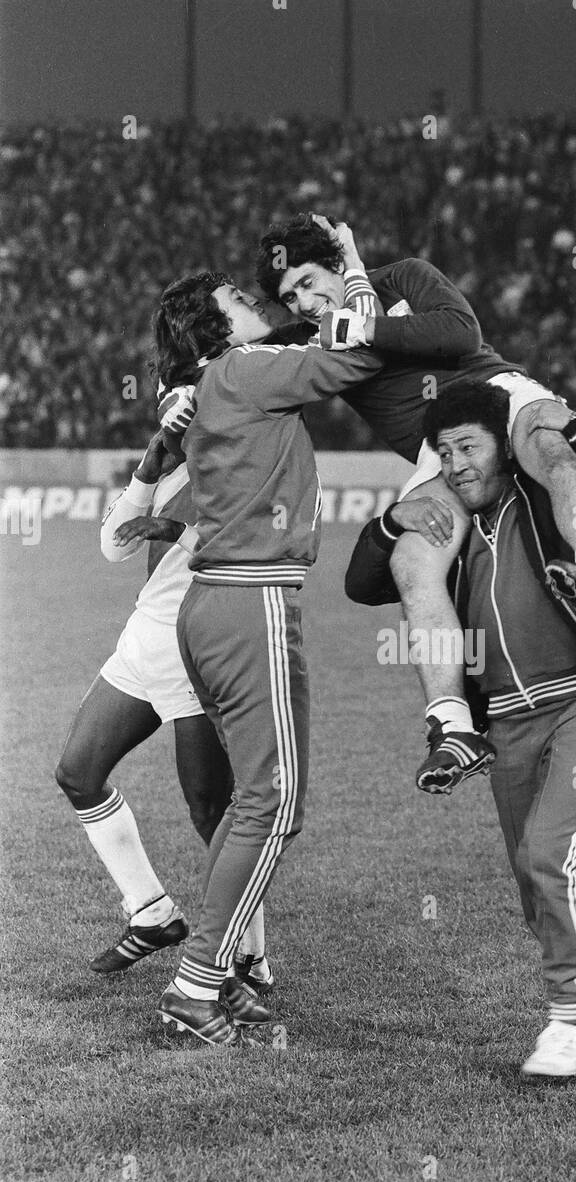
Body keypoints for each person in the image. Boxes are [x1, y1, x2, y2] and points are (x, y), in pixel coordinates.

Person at [253, 216, 576, 794]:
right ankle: (452, 726)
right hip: (440, 452)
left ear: (334, 264)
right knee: (412, 558)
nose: (303, 302)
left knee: (552, 448)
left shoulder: (403, 278)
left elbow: (459, 333)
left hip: (500, 397)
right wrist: (184, 382)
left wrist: (360, 323)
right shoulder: (313, 338)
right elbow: (242, 357)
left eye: (308, 281)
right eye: (290, 297)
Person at [345, 381, 576, 1077]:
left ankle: (567, 1025)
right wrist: (397, 519)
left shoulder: (541, 498)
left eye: (469, 447)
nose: (456, 464)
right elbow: (362, 584)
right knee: (531, 881)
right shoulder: (444, 526)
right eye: (444, 453)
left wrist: (571, 427)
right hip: (507, 716)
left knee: (548, 856)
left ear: (502, 450)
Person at [152, 271, 382, 1047]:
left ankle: (224, 971)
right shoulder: (245, 369)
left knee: (258, 798)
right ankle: (198, 983)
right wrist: (350, 269)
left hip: (214, 603)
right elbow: (354, 356)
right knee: (272, 802)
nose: (255, 304)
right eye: (236, 302)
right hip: (250, 603)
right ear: (214, 332)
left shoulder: (218, 377)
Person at [54, 430, 270, 1006]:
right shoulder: (173, 465)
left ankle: (248, 956)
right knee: (77, 772)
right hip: (144, 637)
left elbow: (252, 549)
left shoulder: (244, 455)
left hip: (199, 643)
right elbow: (112, 546)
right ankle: (151, 912)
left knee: (210, 810)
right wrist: (148, 468)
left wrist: (173, 529)